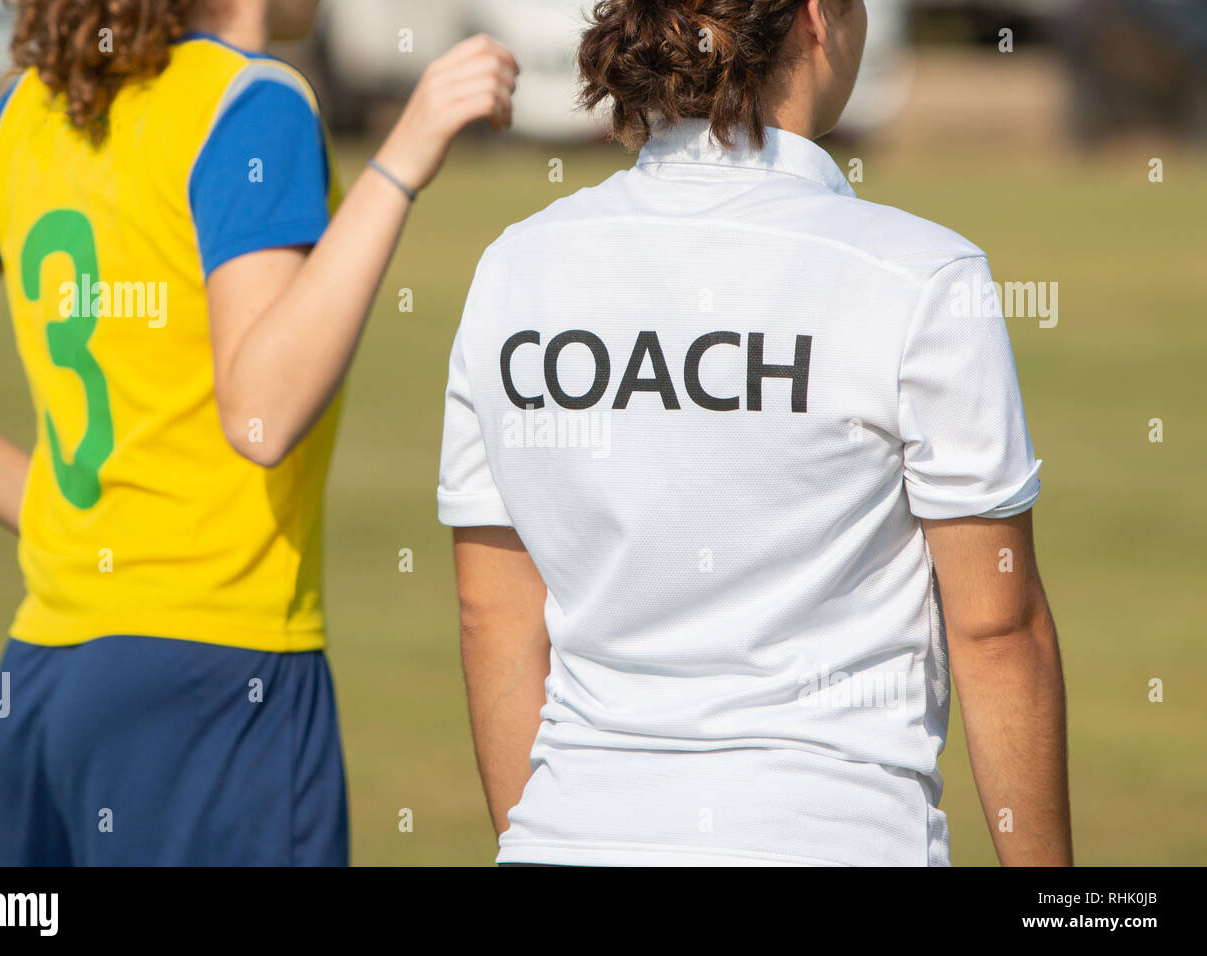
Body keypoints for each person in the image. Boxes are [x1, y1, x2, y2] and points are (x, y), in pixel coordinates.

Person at [440, 0, 1071, 866]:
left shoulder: (513, 266)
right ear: (819, 16)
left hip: (565, 836)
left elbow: (493, 614)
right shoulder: (919, 274)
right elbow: (997, 631)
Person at [0, 0, 517, 865]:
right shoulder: (252, 102)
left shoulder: (32, 107)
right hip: (216, 679)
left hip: (44, 679)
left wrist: (53, 510)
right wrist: (401, 162)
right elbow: (260, 416)